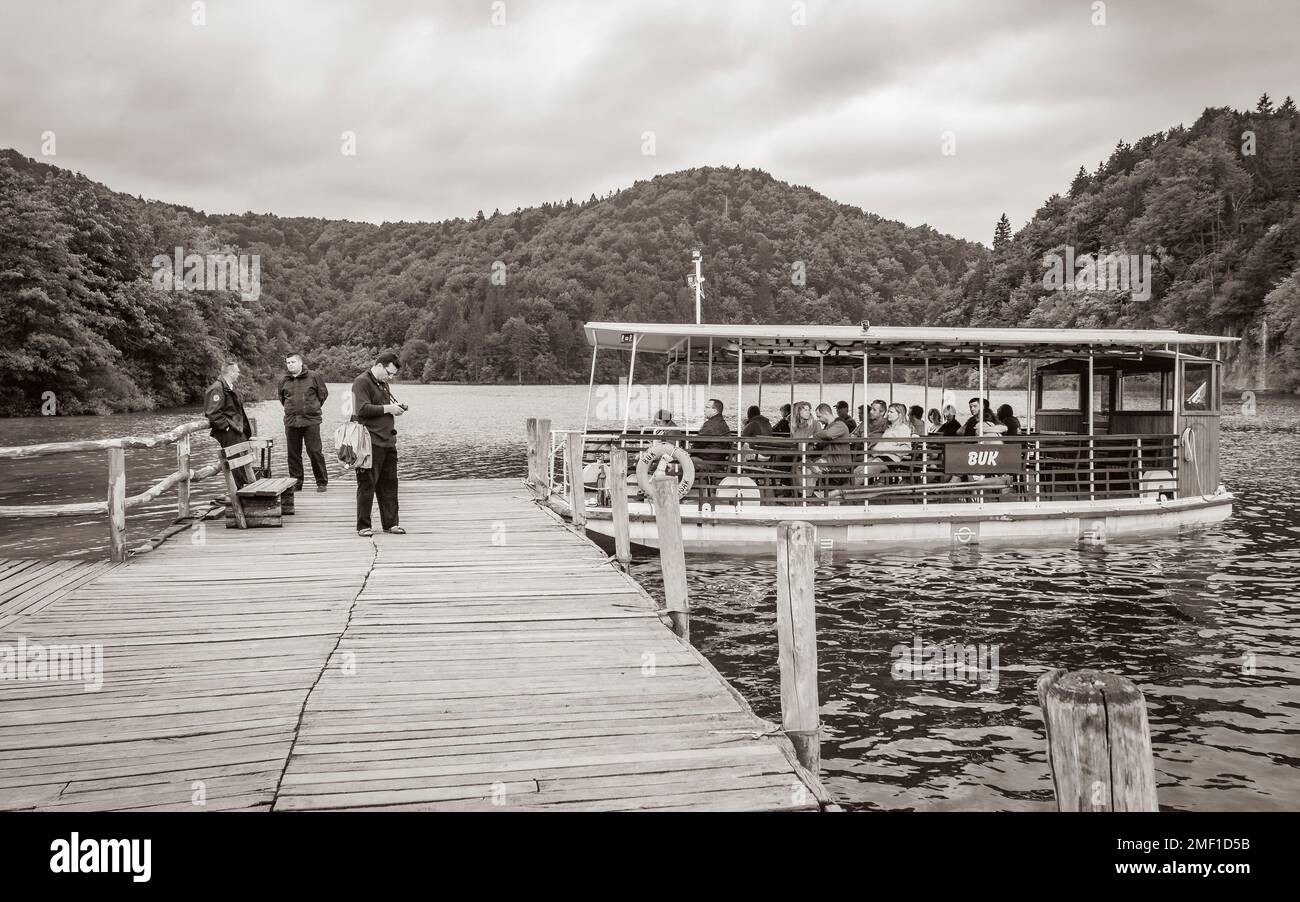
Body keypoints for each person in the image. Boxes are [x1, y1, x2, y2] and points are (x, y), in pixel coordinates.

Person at [351, 352, 406, 537]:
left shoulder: (382, 383)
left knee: (390, 484)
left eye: (392, 375)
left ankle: (391, 524)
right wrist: (388, 408)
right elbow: (361, 409)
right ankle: (363, 526)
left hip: (387, 441)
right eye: (389, 373)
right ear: (380, 365)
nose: (390, 377)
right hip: (369, 441)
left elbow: (382, 409)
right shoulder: (362, 381)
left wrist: (396, 407)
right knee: (367, 483)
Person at [278, 353, 330, 493]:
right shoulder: (284, 380)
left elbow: (323, 395)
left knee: (314, 451)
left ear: (300, 363)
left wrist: (311, 408)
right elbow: (282, 398)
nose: (290, 365)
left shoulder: (313, 376)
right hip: (291, 421)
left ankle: (321, 482)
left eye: (293, 362)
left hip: (311, 421)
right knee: (293, 454)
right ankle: (296, 482)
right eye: (288, 363)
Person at [204, 361, 253, 489]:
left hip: (236, 429)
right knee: (234, 461)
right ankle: (238, 491)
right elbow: (212, 412)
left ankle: (244, 488)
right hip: (228, 431)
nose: (238, 374)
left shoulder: (228, 387)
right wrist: (225, 427)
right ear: (230, 372)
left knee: (242, 458)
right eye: (237, 371)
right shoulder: (217, 388)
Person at [811, 403, 853, 491]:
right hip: (831, 459)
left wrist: (815, 436)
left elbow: (828, 434)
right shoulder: (830, 426)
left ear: (826, 414)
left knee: (808, 466)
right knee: (806, 464)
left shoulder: (839, 425)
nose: (818, 420)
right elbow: (824, 441)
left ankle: (808, 494)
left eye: (819, 416)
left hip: (839, 462)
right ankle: (812, 492)